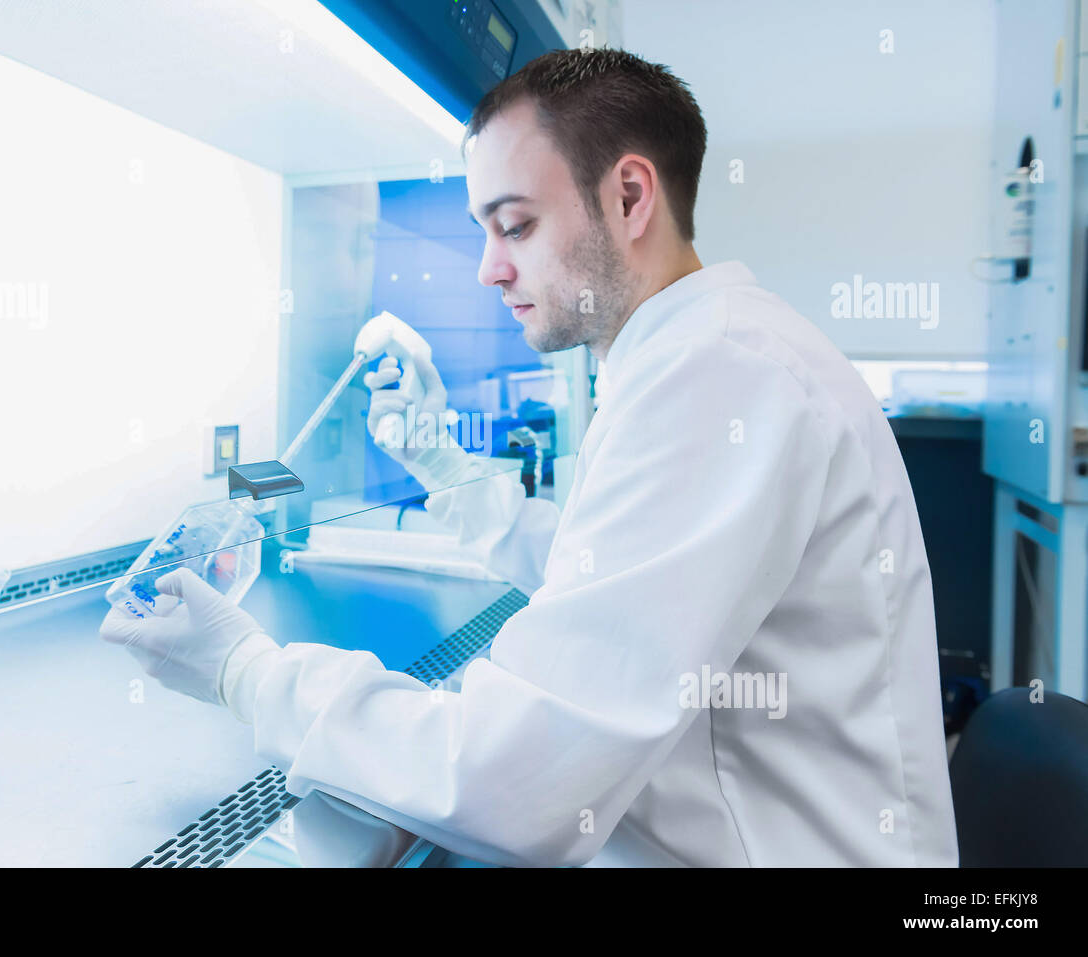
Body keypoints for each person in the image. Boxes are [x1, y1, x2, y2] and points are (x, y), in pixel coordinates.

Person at [100, 48, 958, 867]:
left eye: (515, 224)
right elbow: (605, 566)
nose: (488, 268)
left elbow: (514, 783)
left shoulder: (718, 377)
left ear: (629, 197)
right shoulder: (698, 353)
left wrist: (249, 672)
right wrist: (440, 464)